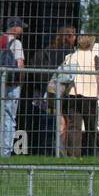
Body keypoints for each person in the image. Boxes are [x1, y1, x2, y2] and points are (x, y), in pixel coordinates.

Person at [61, 33, 99, 157]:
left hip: (73, 94)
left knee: (73, 127)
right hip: (90, 95)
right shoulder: (94, 57)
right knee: (91, 126)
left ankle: (73, 154)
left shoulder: (70, 57)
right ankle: (93, 153)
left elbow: (63, 77)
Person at [32, 25, 76, 155]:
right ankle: (59, 151)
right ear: (68, 37)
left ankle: (46, 150)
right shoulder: (70, 55)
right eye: (73, 35)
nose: (75, 38)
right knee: (63, 124)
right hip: (62, 93)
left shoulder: (46, 51)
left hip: (45, 93)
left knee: (48, 123)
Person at [0, 16, 25, 156]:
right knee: (10, 118)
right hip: (12, 84)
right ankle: (6, 151)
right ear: (14, 27)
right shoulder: (16, 43)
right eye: (20, 27)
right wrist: (20, 83)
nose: (21, 31)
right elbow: (20, 64)